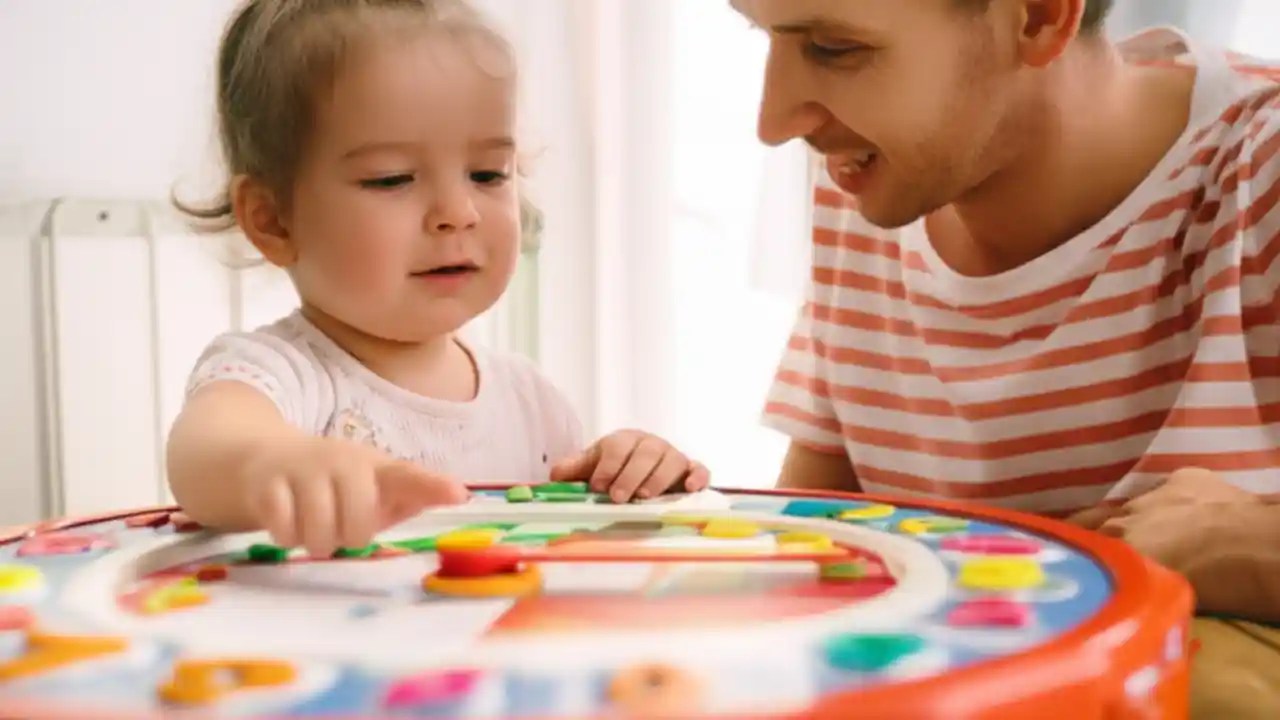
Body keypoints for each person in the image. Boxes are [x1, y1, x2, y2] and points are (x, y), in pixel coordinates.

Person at [735, 0, 1280, 625]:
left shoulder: (1259, 171)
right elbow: (816, 553)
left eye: (835, 49)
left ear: (1041, 16)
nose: (775, 122)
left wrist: (1251, 547)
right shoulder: (872, 183)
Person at [166, 0, 707, 561]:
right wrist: (274, 464)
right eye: (392, 178)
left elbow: (570, 548)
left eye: (488, 174)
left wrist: (628, 475)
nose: (458, 211)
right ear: (273, 219)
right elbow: (203, 454)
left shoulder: (533, 404)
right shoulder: (281, 375)